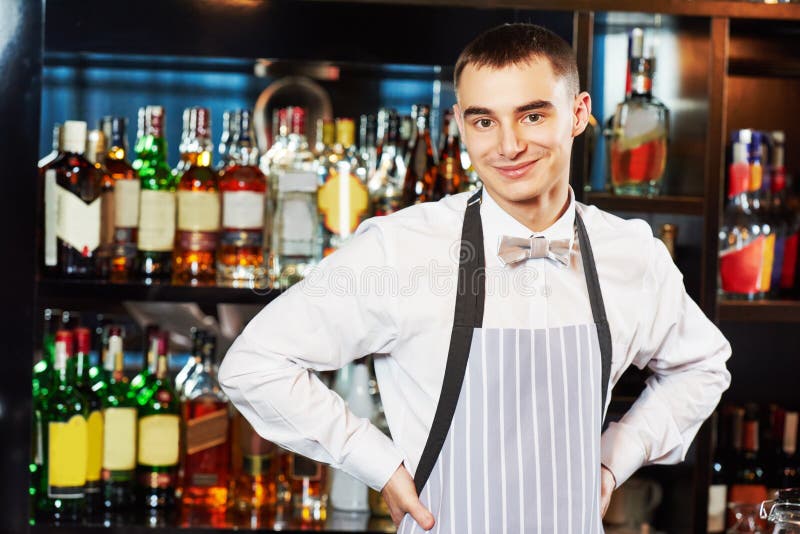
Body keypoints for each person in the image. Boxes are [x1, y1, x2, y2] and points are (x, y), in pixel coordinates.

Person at [219, 23, 731, 533]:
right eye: (484, 121)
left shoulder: (630, 254)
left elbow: (701, 366)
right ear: (462, 125)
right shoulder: (401, 249)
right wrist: (379, 465)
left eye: (532, 115)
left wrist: (614, 459)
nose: (508, 146)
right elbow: (254, 363)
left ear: (578, 114)